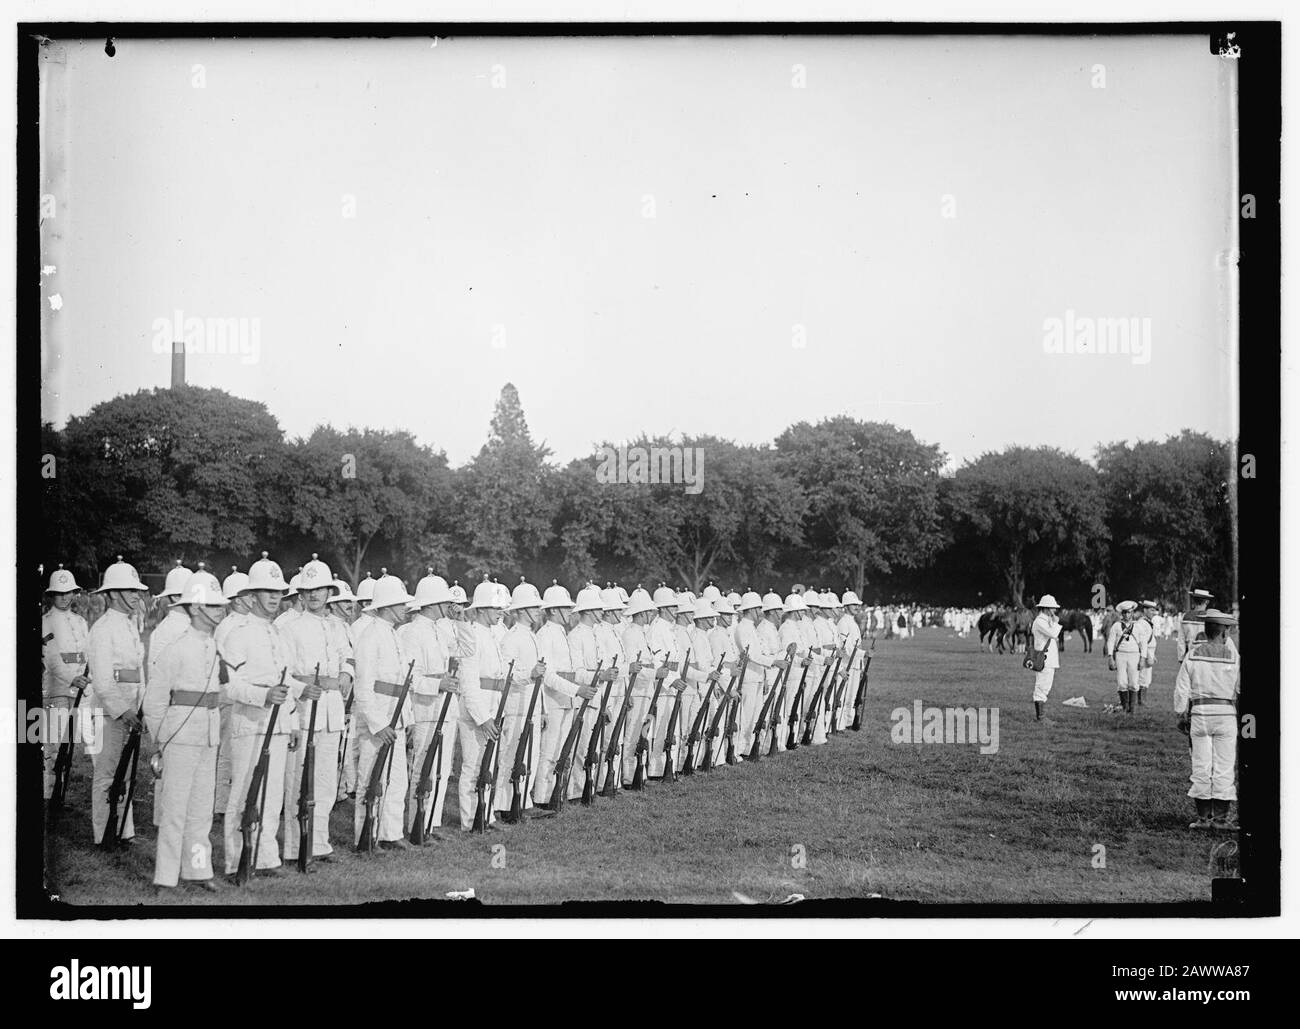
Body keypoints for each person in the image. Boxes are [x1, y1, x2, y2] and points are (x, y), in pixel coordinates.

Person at [221, 552, 314, 875]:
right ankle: (236, 861)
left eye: (278, 592)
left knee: (272, 794)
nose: (275, 598)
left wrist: (301, 691)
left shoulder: (276, 633)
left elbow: (284, 678)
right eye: (268, 592)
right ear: (251, 595)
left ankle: (265, 857)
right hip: (250, 722)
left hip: (277, 724)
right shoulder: (238, 633)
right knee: (245, 790)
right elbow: (229, 686)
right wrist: (263, 695)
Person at [145, 577, 227, 893]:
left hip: (208, 735)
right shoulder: (176, 648)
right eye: (212, 604)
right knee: (175, 809)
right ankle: (165, 877)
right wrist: (163, 742)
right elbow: (154, 702)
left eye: (220, 605)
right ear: (194, 608)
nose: (219, 610)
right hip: (179, 737)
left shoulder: (215, 647)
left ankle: (196, 870)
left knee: (201, 810)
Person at [279, 555, 353, 864]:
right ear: (301, 593)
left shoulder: (337, 624)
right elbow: (281, 669)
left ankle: (319, 843)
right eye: (308, 590)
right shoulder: (289, 626)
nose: (314, 595)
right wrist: (299, 689)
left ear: (329, 592)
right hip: (304, 707)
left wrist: (348, 673)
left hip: (331, 710)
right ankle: (296, 846)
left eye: (320, 590)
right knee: (298, 780)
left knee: (324, 781)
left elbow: (348, 655)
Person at [86, 557, 151, 844]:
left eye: (137, 589)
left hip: (130, 710)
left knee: (124, 772)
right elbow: (101, 680)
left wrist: (143, 706)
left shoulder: (128, 625)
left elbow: (138, 672)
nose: (137, 594)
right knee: (107, 773)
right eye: (130, 589)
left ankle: (124, 830)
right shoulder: (102, 629)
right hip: (108, 712)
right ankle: (103, 834)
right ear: (112, 593)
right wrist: (124, 711)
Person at [350, 573, 415, 850]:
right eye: (400, 603)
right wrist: (377, 723)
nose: (405, 608)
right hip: (377, 719)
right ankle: (366, 836)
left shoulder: (392, 634)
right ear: (387, 606)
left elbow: (402, 682)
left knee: (396, 779)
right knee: (371, 778)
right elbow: (363, 687)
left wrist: (407, 718)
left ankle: (390, 833)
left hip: (396, 717)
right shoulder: (370, 636)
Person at [397, 571, 460, 839]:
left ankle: (431, 824)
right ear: (432, 604)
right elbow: (410, 677)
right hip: (424, 708)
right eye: (445, 602)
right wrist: (437, 685)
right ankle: (417, 825)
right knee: (423, 768)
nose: (450, 606)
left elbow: (465, 650)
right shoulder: (412, 632)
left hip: (445, 707)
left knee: (442, 770)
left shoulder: (440, 629)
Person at [1173, 610, 1241, 830]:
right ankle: (1220, 819)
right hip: (1225, 715)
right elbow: (1241, 690)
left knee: (1201, 765)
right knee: (1223, 766)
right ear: (1224, 633)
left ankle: (1203, 819)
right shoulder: (1233, 656)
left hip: (1200, 714)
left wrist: (1181, 713)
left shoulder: (1192, 655)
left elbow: (1181, 687)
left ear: (1206, 631)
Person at [42, 566, 89, 800]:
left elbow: (86, 653)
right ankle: (47, 796)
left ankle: (61, 794)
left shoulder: (80, 622)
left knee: (69, 745)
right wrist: (73, 677)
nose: (65, 596)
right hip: (57, 689)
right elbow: (51, 659)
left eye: (69, 591)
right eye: (60, 592)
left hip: (78, 690)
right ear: (52, 594)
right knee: (53, 746)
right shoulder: (46, 621)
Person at [1106, 600, 1148, 714]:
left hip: (1135, 655)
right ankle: (1125, 708)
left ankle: (1132, 710)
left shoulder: (1138, 626)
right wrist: (1110, 657)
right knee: (1121, 683)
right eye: (1124, 613)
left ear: (1132, 613)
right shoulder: (1116, 626)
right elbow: (1110, 642)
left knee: (1134, 683)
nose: (1127, 615)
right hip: (1120, 655)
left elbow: (1143, 644)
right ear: (1122, 613)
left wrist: (1143, 658)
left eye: (1129, 612)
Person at [1029, 595, 1062, 721]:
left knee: (1045, 686)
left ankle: (1041, 716)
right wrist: (1056, 622)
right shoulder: (1040, 621)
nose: (1055, 611)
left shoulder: (1045, 621)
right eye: (1053, 608)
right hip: (1044, 659)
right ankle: (1041, 717)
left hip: (1049, 659)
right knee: (1042, 687)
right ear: (1047, 608)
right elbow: (1053, 633)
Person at [1177, 588, 1215, 660]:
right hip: (1207, 655)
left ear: (1194, 601)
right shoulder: (1210, 617)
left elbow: (1181, 640)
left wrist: (1181, 657)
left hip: (1190, 656)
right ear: (1207, 601)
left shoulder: (1185, 616)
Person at [1136, 600, 1159, 706]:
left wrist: (1153, 655)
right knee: (1143, 677)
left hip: (1149, 653)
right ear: (1145, 610)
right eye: (1151, 610)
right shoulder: (1142, 623)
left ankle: (1141, 700)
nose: (1154, 612)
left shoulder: (1148, 622)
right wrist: (1148, 656)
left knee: (1146, 677)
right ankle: (1141, 701)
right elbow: (1142, 642)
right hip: (1144, 654)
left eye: (1154, 610)